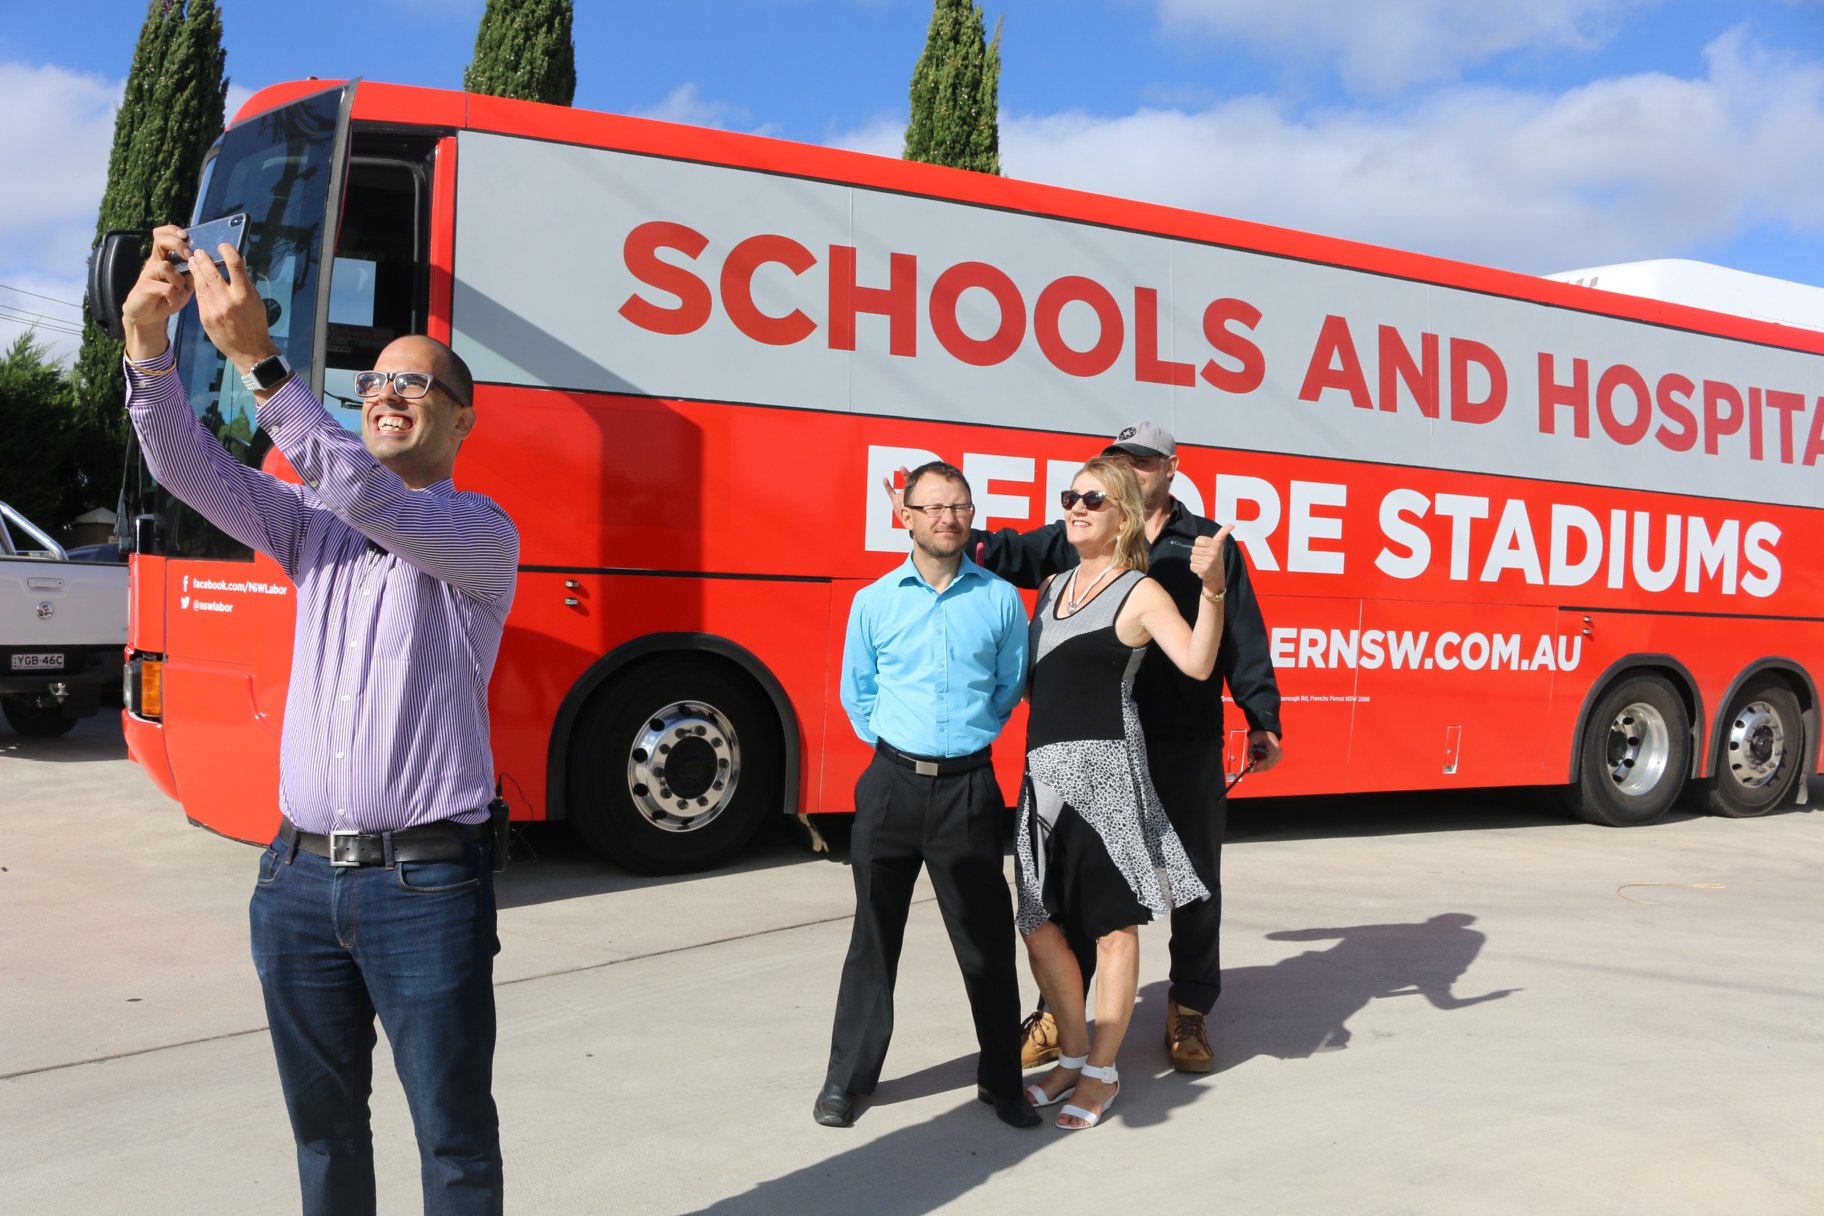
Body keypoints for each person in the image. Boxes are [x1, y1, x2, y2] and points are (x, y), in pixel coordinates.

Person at [119, 225, 518, 1215]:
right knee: (324, 1137)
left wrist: (259, 358)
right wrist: (148, 348)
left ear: (464, 423)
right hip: (294, 882)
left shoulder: (478, 535)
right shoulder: (315, 529)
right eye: (376, 378)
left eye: (417, 383)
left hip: (425, 883)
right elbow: (182, 462)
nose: (388, 390)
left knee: (454, 1140)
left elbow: (360, 486)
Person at [885, 419, 1283, 1072]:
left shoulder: (1204, 543)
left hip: (1182, 737)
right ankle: (1056, 1015)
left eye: (1144, 462)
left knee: (1195, 882)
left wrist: (1261, 715)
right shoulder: (1080, 533)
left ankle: (1189, 1009)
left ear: (1171, 470)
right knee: (1073, 886)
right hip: (1098, 740)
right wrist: (936, 525)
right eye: (1118, 461)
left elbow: (1241, 632)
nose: (1129, 471)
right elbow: (1007, 554)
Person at [817, 461, 1040, 1130]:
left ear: (972, 516)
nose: (948, 517)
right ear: (905, 516)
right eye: (934, 506)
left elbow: (1007, 688)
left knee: (986, 944)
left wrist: (960, 746)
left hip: (968, 792)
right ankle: (847, 1082)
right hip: (888, 789)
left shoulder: (1001, 599)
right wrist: (895, 746)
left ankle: (1001, 1081)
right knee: (873, 940)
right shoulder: (874, 601)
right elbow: (857, 691)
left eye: (960, 506)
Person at [1015, 457, 1229, 1129]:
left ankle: (1101, 1071)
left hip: (1105, 776)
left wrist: (1215, 593)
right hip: (1043, 778)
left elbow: (1196, 664)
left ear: (1122, 517)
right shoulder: (1050, 587)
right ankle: (1074, 1052)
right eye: (1069, 496)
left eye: (1093, 499)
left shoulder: (1139, 591)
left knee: (1112, 926)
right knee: (1037, 922)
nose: (1075, 507)